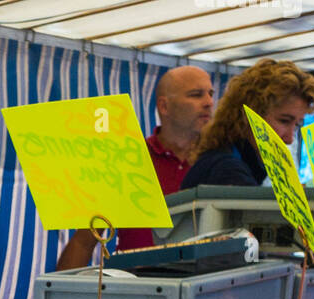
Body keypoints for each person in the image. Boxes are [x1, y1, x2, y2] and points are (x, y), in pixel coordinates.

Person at [54, 66, 216, 269]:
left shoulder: (220, 162)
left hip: (204, 292)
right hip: (137, 292)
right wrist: (56, 295)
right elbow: (84, 241)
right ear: (164, 106)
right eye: (196, 95)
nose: (209, 103)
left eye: (210, 94)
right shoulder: (128, 161)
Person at [180, 59, 314, 190]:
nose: (289, 139)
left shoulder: (226, 161)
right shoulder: (228, 171)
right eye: (284, 121)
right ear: (248, 115)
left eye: (297, 125)